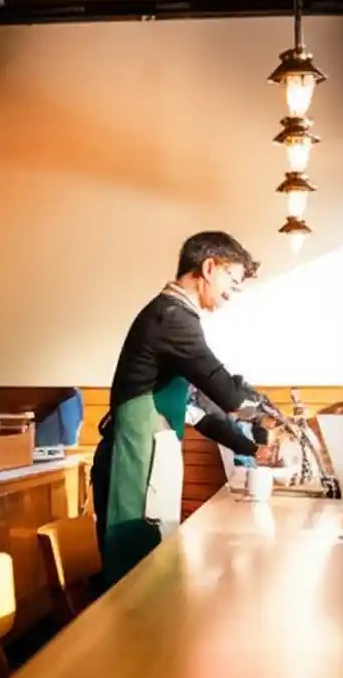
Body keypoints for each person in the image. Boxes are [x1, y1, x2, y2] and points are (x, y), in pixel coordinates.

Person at [91, 231, 267, 587]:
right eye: (231, 280)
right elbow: (228, 396)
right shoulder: (172, 318)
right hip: (134, 461)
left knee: (153, 567)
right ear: (208, 267)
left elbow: (198, 409)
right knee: (136, 575)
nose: (232, 292)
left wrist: (253, 448)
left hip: (149, 459)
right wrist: (265, 418)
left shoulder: (173, 316)